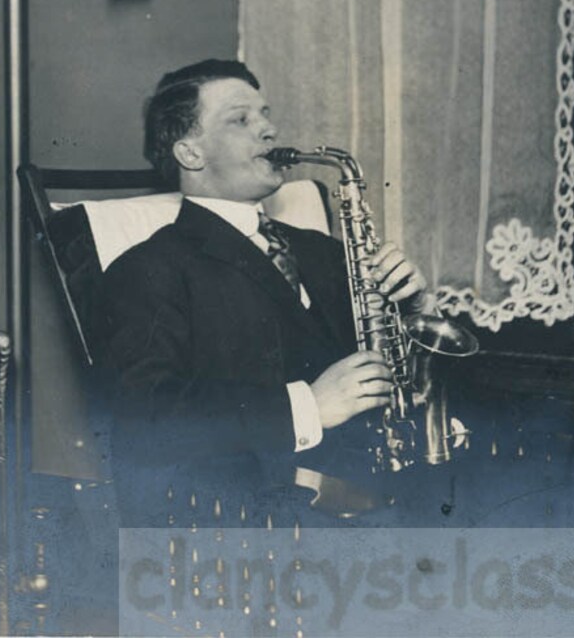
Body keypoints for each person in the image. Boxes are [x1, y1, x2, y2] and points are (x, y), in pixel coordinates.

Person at [94, 59, 431, 525]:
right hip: (257, 518)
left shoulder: (323, 252)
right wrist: (307, 406)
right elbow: (146, 418)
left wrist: (411, 315)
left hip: (372, 493)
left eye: (265, 114)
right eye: (241, 119)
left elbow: (389, 369)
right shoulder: (149, 269)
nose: (268, 129)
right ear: (190, 153)